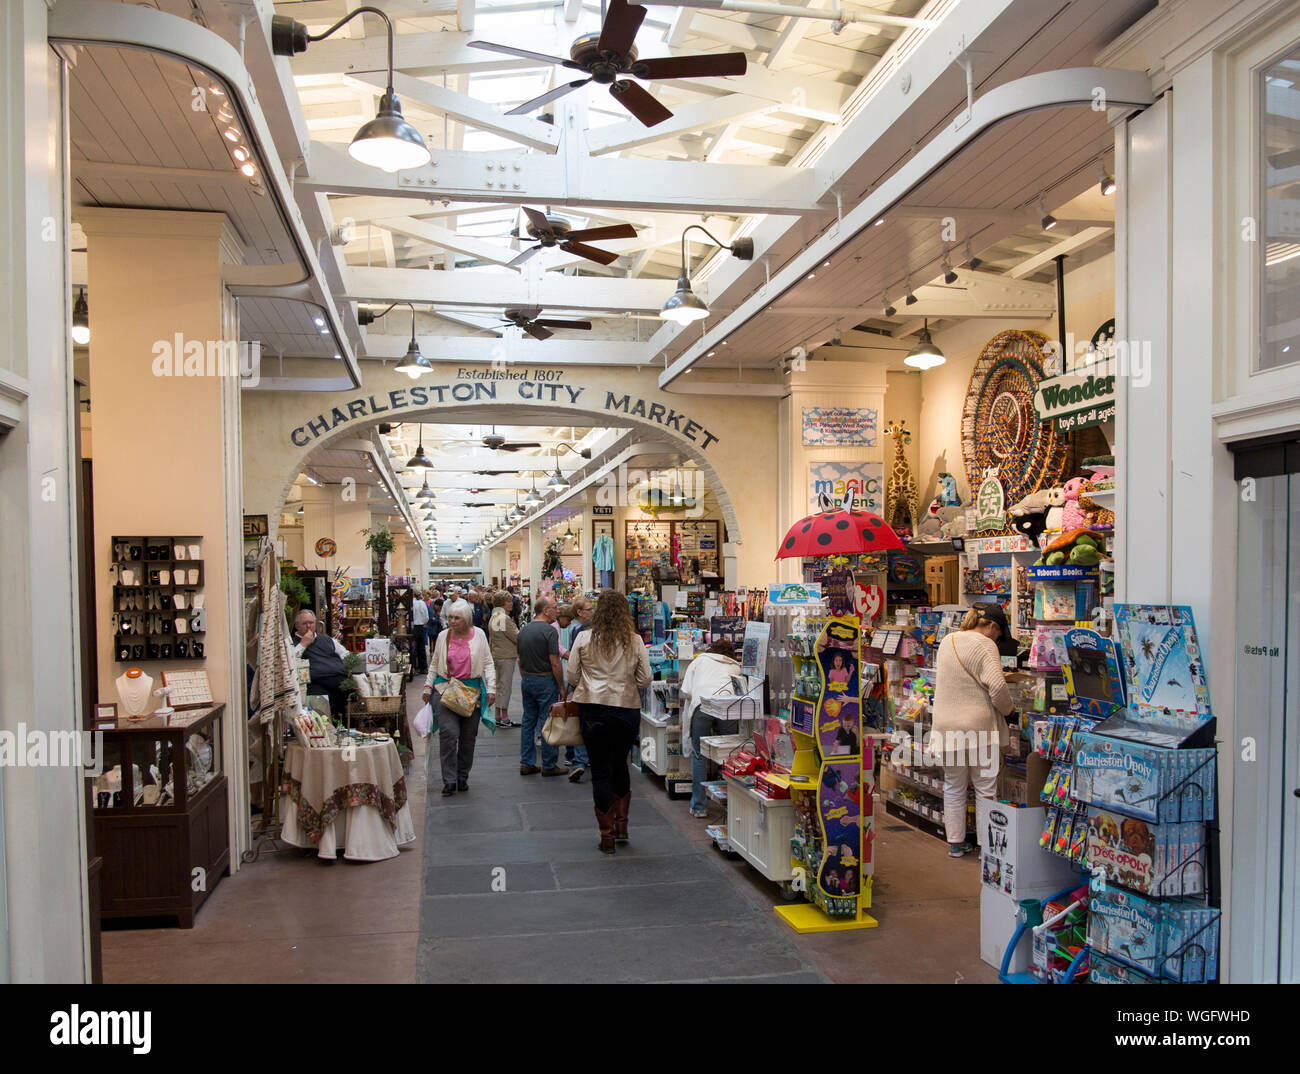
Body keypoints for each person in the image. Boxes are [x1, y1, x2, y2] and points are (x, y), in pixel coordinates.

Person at [568, 590, 652, 853]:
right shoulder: (635, 640)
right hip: (626, 709)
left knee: (601, 771)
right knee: (620, 765)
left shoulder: (583, 637)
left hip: (593, 710)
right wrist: (628, 684)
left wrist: (588, 684)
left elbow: (572, 676)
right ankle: (621, 826)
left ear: (598, 611)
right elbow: (646, 678)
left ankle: (606, 837)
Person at [930, 603, 1015, 857]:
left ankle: (956, 843)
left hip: (946, 726)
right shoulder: (985, 644)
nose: (997, 639)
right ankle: (986, 846)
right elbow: (998, 688)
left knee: (954, 785)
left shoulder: (947, 641)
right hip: (978, 727)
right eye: (998, 634)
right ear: (991, 626)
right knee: (985, 788)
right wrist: (1010, 711)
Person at [421, 599, 496, 797]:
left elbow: (488, 662)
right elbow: (435, 663)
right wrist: (428, 687)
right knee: (448, 733)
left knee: (468, 737)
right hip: (446, 689)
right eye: (451, 617)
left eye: (457, 618)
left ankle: (462, 776)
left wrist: (492, 689)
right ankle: (449, 779)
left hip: (472, 693)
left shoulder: (479, 635)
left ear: (467, 620)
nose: (452, 621)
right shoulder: (443, 636)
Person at [680, 638, 742, 818]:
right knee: (729, 754)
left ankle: (699, 807)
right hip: (727, 707)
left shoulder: (699, 661)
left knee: (699, 755)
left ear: (711, 649)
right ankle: (732, 804)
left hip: (702, 705)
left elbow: (686, 691)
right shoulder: (735, 666)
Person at [516, 596, 567, 776]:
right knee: (548, 721)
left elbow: (520, 660)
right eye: (555, 607)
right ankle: (549, 763)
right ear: (545, 611)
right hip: (545, 680)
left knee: (528, 721)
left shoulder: (523, 631)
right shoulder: (549, 631)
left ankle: (526, 762)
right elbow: (555, 661)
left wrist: (526, 677)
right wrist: (561, 685)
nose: (558, 611)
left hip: (528, 679)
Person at [291, 608, 351, 719]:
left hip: (339, 682)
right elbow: (290, 662)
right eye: (305, 623)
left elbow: (345, 655)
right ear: (297, 626)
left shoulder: (326, 639)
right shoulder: (293, 643)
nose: (309, 626)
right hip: (315, 684)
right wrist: (303, 644)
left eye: (311, 623)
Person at [561, 594, 595, 782]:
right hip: (585, 681)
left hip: (580, 680)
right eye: (589, 609)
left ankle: (574, 756)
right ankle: (580, 759)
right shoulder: (582, 630)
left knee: (578, 717)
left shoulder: (574, 629)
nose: (592, 611)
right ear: (580, 612)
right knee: (583, 718)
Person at [488, 590, 519, 728]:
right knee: (505, 686)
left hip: (497, 654)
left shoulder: (494, 616)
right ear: (501, 603)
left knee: (499, 685)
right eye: (508, 601)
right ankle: (504, 717)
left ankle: (498, 715)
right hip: (506, 656)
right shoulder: (504, 618)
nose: (511, 604)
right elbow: (517, 637)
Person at [410, 587, 430, 675]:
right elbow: (426, 617)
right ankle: (424, 667)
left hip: (413, 628)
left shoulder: (411, 603)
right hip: (421, 627)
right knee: (421, 648)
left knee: (413, 648)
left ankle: (415, 666)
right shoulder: (422, 603)